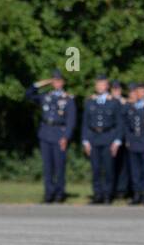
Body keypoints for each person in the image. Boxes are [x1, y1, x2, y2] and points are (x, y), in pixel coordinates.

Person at [25, 68, 75, 203]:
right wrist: (44, 83)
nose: (57, 83)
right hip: (46, 132)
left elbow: (71, 120)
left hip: (59, 134)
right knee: (47, 167)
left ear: (62, 82)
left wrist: (66, 137)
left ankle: (59, 193)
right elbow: (28, 93)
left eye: (59, 80)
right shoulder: (46, 96)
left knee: (59, 166)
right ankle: (49, 193)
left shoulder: (68, 99)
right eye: (54, 80)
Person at [81, 74, 122, 203]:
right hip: (93, 138)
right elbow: (85, 123)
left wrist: (117, 141)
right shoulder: (89, 102)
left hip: (108, 137)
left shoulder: (114, 102)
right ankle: (97, 194)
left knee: (108, 168)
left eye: (103, 84)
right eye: (98, 84)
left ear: (107, 86)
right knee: (96, 169)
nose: (100, 87)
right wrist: (85, 141)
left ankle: (107, 195)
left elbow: (119, 123)